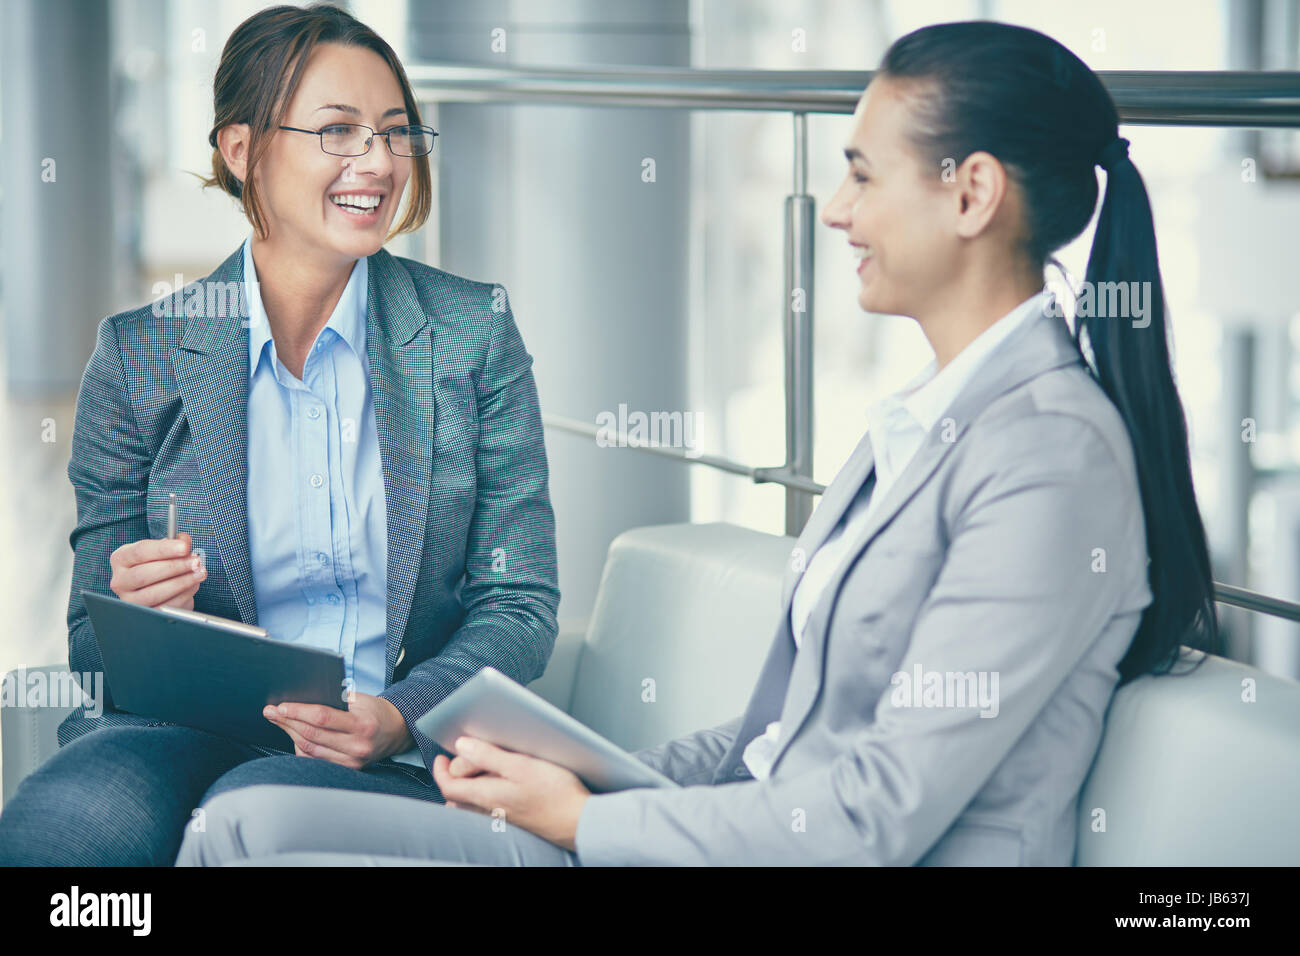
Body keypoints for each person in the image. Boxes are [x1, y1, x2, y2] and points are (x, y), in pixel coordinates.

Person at [176, 20, 1219, 867]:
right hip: (721, 833)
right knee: (243, 824)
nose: (837, 211)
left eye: (860, 174)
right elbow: (778, 735)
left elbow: (873, 818)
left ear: (972, 192)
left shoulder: (1050, 457)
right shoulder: (920, 421)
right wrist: (588, 772)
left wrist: (586, 820)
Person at [0, 3, 558, 866]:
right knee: (60, 831)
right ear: (241, 150)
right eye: (338, 131)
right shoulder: (137, 354)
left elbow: (519, 606)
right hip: (176, 728)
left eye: (396, 132)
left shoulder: (471, 333)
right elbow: (88, 642)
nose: (378, 161)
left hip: (391, 746)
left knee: (246, 814)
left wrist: (399, 713)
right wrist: (145, 612)